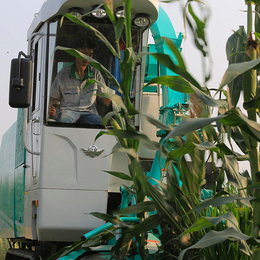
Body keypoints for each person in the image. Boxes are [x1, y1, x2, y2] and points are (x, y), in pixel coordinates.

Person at [49, 39, 111, 125]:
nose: (87, 57)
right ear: (75, 53)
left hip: (89, 113)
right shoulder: (63, 74)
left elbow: (105, 97)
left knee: (101, 124)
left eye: (90, 55)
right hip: (68, 112)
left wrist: (116, 108)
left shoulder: (96, 74)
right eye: (84, 54)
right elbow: (55, 98)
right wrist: (51, 108)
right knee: (63, 121)